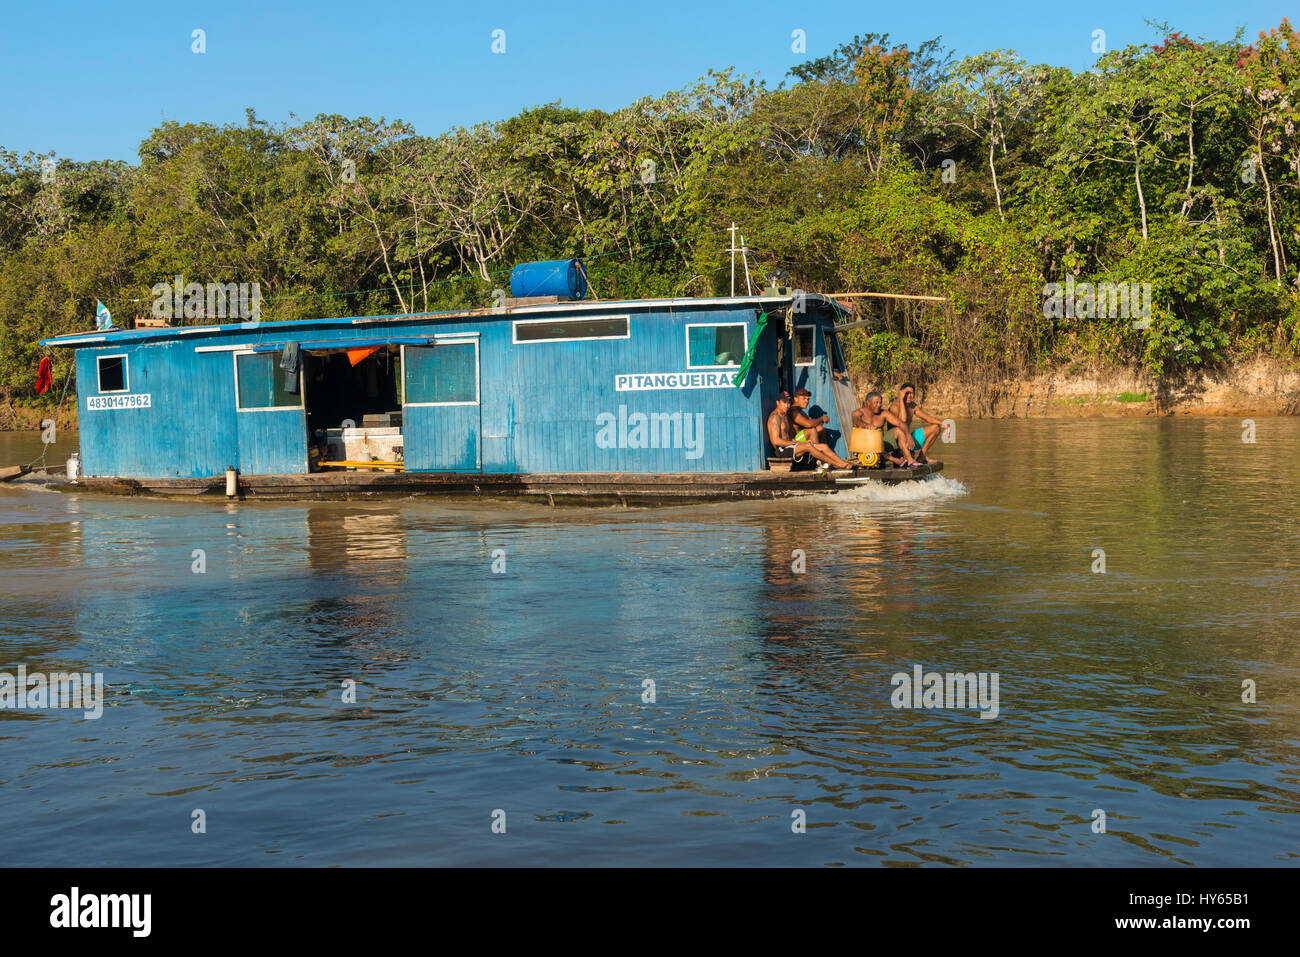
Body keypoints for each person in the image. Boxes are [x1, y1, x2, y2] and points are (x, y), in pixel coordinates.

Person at [767, 391, 853, 471]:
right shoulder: (775, 417)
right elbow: (775, 441)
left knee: (823, 446)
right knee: (809, 446)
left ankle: (842, 462)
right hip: (782, 451)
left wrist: (798, 442)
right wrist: (795, 443)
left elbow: (787, 438)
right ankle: (836, 464)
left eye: (788, 402)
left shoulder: (784, 416)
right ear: (777, 402)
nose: (787, 405)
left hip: (789, 447)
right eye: (784, 402)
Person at [852, 391, 919, 467]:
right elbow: (855, 419)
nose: (879, 405)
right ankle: (893, 459)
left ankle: (909, 460)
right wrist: (866, 425)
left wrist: (908, 436)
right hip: (864, 447)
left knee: (899, 430)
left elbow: (901, 423)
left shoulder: (883, 413)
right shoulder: (858, 412)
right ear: (868, 402)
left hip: (881, 445)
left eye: (880, 403)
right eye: (876, 403)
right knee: (876, 446)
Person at [888, 382, 944, 464]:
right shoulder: (894, 407)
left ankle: (922, 456)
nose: (910, 396)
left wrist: (944, 423)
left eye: (912, 393)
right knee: (901, 432)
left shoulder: (913, 406)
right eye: (907, 393)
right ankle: (907, 456)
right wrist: (901, 400)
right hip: (897, 442)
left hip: (908, 438)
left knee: (936, 428)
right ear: (901, 394)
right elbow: (902, 421)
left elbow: (927, 418)